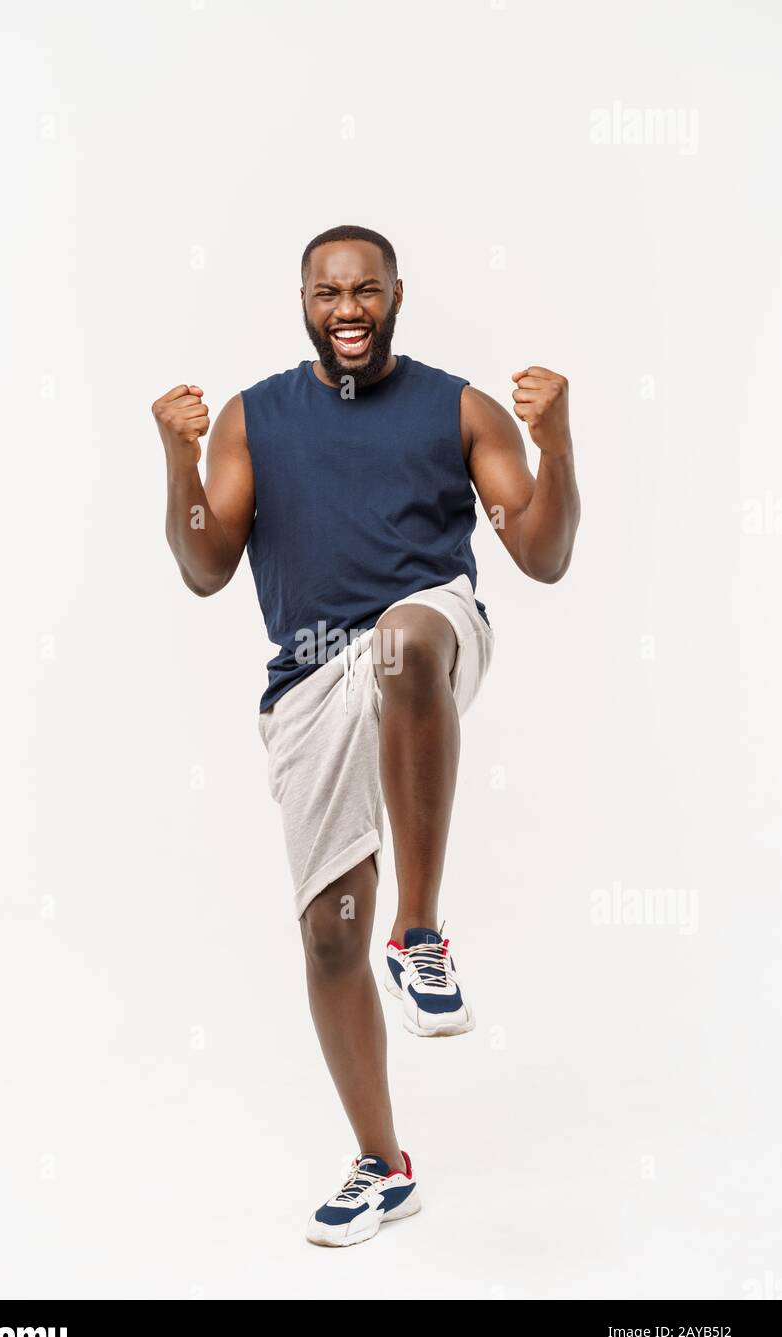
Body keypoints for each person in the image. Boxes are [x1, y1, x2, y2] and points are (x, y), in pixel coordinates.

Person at [153, 225, 580, 1247]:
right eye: (328, 292)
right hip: (306, 676)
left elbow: (543, 554)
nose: (348, 309)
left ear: (396, 295)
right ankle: (382, 1168)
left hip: (428, 631)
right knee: (330, 935)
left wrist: (555, 441)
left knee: (400, 646)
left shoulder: (456, 405)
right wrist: (175, 462)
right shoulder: (255, 417)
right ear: (302, 298)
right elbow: (204, 566)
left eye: (366, 291)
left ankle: (421, 935)